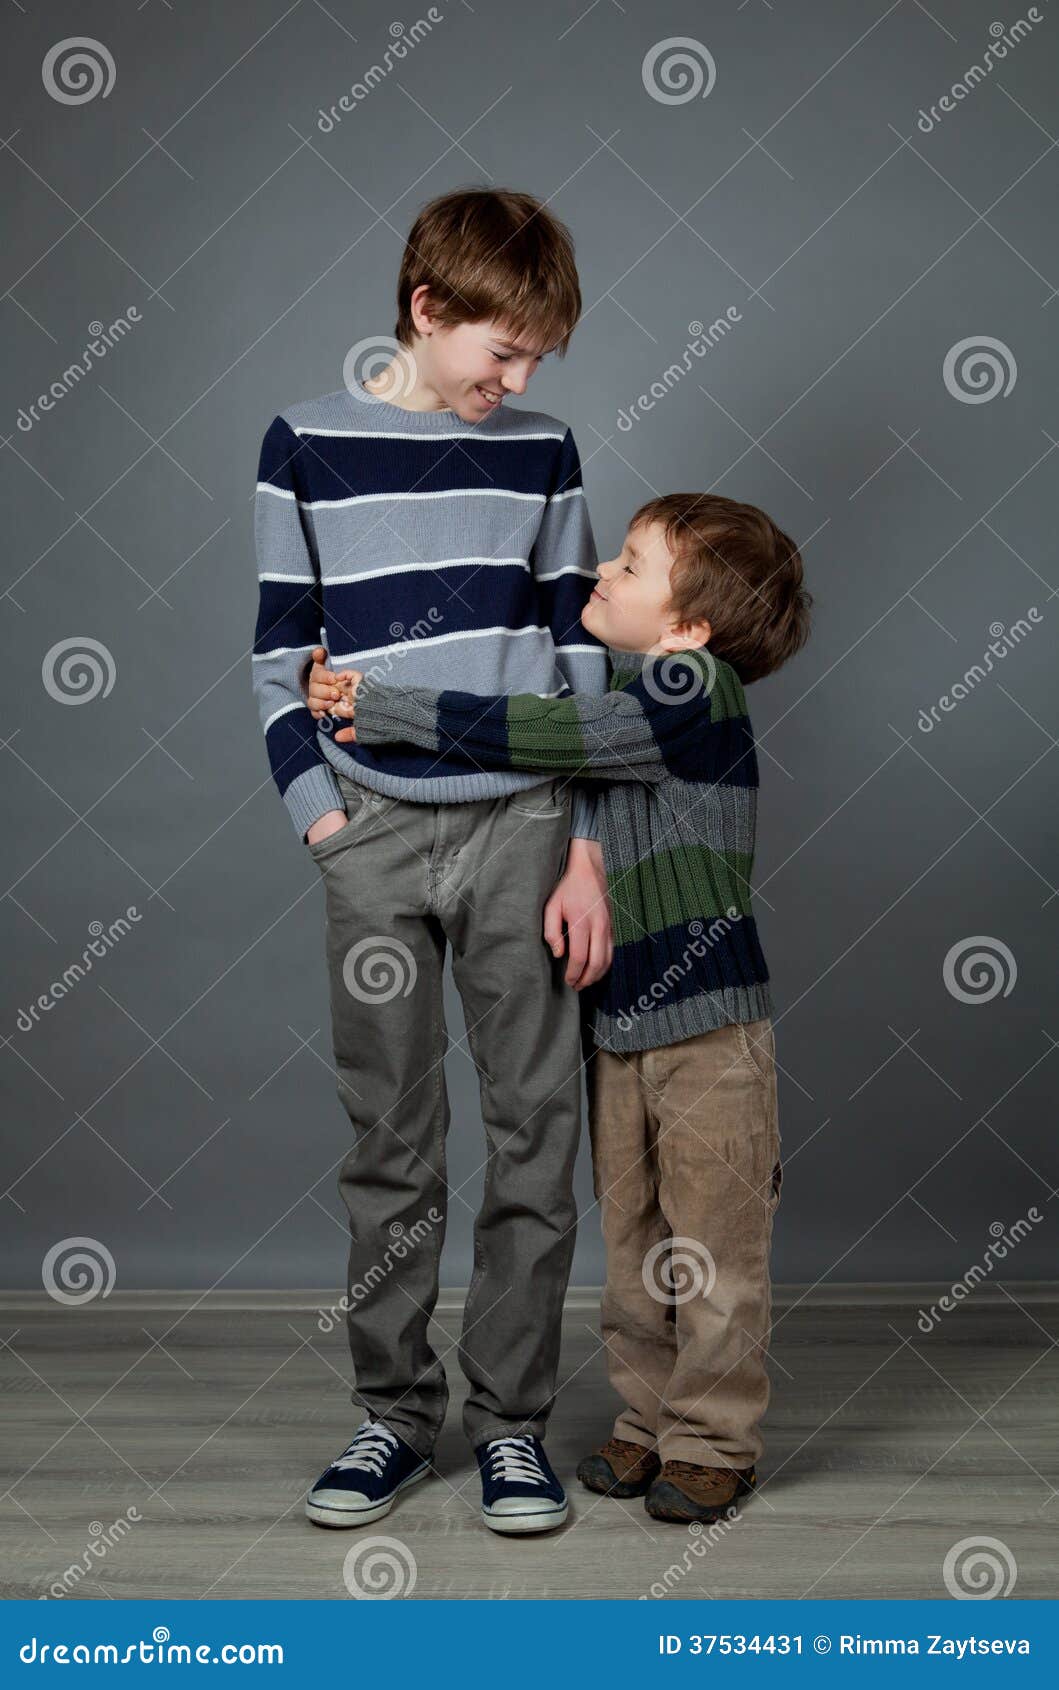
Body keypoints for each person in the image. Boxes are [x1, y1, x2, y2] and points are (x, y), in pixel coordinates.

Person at [307, 491, 811, 1523]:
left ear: (690, 627)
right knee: (633, 1247)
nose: (602, 577)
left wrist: (395, 710)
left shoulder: (692, 688)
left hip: (711, 1031)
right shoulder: (642, 676)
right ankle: (644, 1422)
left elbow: (552, 731)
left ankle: (714, 1439)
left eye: (630, 566)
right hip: (621, 1028)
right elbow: (577, 754)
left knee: (712, 1248)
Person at [251, 187, 613, 1535]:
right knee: (390, 1138)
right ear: (425, 309)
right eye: (499, 352)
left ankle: (511, 1423)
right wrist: (326, 827)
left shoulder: (543, 451)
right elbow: (271, 650)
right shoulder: (304, 443)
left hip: (526, 824)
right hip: (376, 832)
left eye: (531, 362)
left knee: (536, 1129)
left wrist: (582, 844)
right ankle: (392, 1416)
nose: (512, 382)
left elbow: (579, 655)